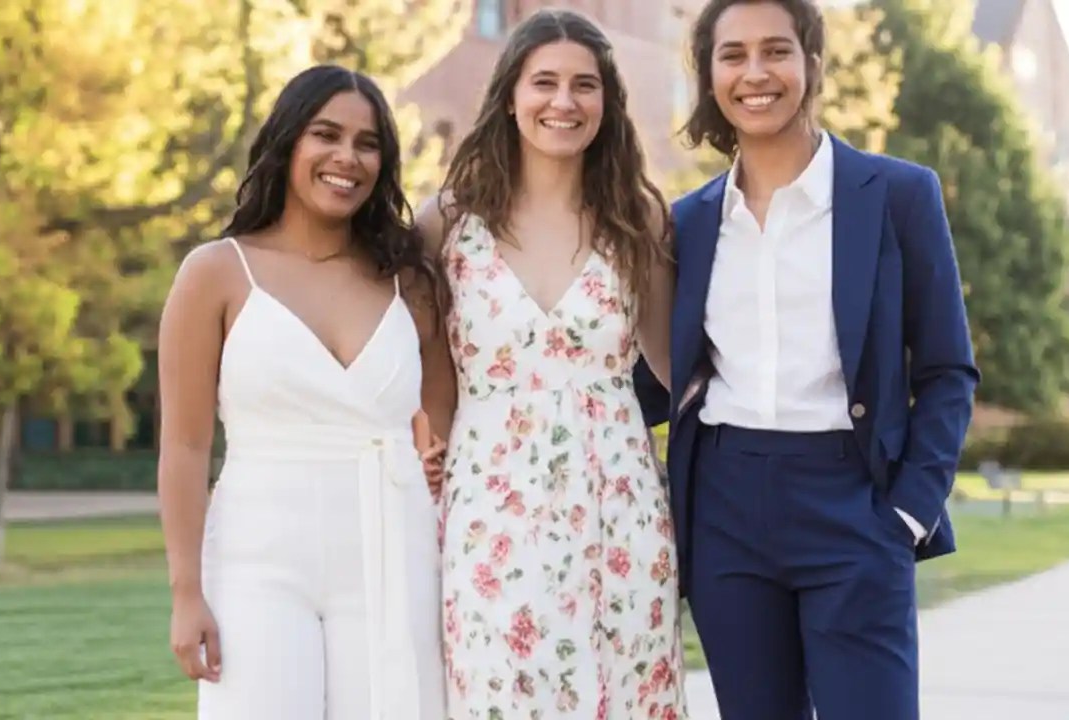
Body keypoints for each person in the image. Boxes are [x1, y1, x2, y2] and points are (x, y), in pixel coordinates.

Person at [633, 1, 980, 718]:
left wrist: (908, 514)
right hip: (725, 511)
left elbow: (946, 370)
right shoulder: (686, 223)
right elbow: (649, 381)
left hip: (856, 506)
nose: (754, 73)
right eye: (732, 55)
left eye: (776, 51)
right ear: (708, 74)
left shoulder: (898, 196)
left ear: (812, 63)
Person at [414, 8, 686, 719]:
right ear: (510, 95)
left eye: (584, 86)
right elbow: (420, 367)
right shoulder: (445, 224)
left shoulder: (638, 221)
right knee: (500, 689)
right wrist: (422, 440)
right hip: (490, 507)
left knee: (625, 692)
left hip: (618, 507)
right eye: (544, 83)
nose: (563, 102)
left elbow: (674, 369)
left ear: (607, 102)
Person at [156, 64, 450, 720]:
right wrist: (186, 593)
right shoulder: (215, 273)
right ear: (289, 142)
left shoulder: (410, 282)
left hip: (394, 550)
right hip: (257, 561)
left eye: (368, 143)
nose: (347, 157)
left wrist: (436, 459)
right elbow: (182, 446)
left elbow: (447, 406)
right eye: (326, 134)